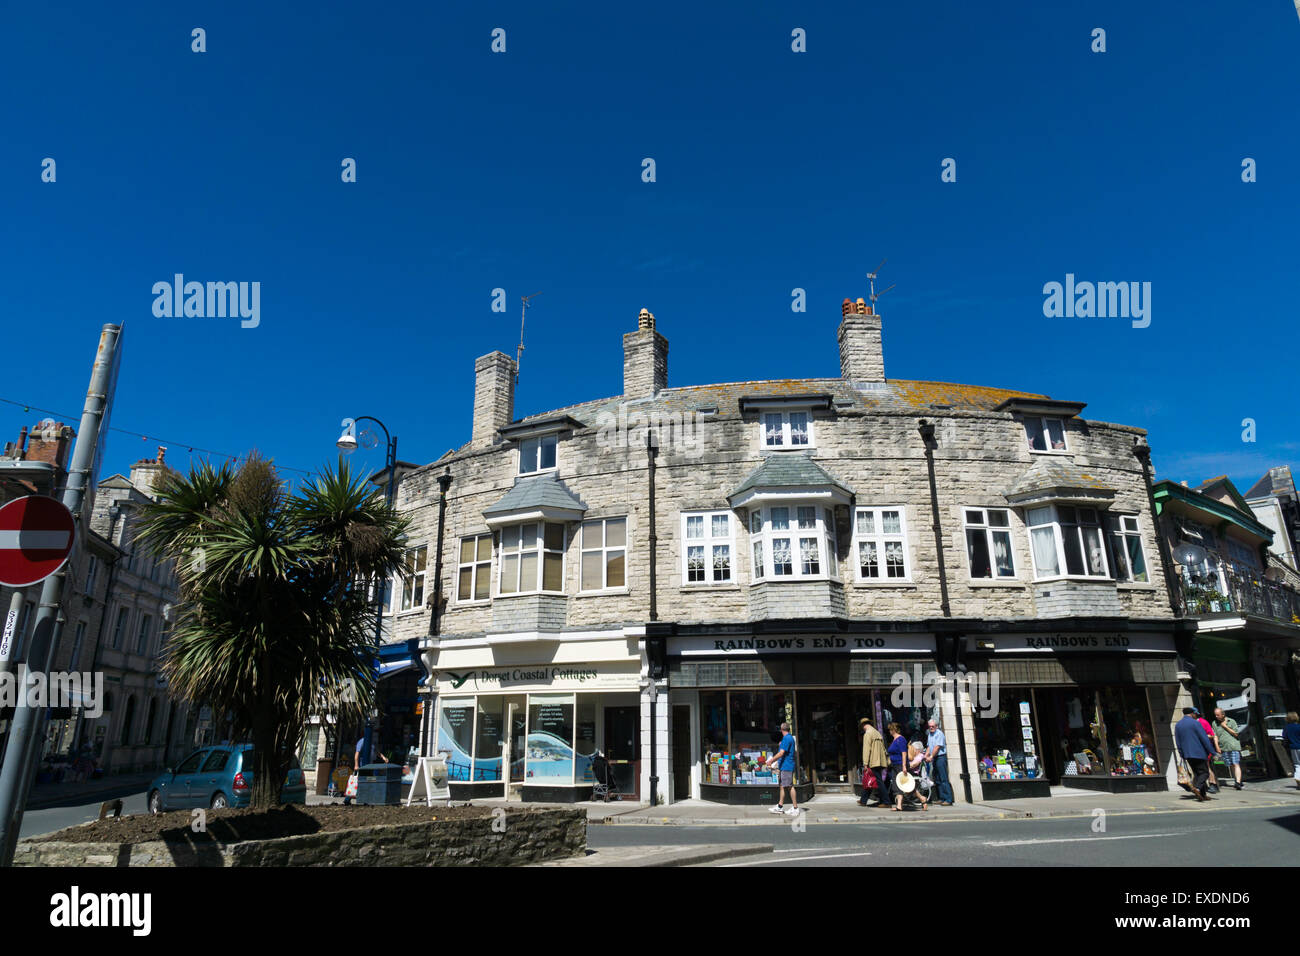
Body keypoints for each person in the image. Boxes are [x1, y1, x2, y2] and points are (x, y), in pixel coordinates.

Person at [1174, 706, 1213, 801]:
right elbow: (1204, 738)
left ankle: (1202, 795)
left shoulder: (1178, 725)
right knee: (1204, 773)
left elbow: (1178, 741)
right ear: (1192, 714)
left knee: (1197, 773)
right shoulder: (1195, 723)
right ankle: (1197, 788)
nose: (1196, 716)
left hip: (1187, 754)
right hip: (1199, 752)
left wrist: (1181, 753)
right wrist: (1212, 751)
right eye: (1195, 714)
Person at [765, 721, 802, 815]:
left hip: (787, 766)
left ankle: (795, 808)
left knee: (789, 787)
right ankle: (780, 807)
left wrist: (771, 761)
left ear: (781, 730)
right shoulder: (789, 738)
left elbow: (781, 753)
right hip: (785, 765)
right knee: (782, 786)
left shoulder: (786, 739)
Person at [1212, 707, 1244, 790]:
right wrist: (1217, 746)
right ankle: (1237, 780)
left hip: (1233, 746)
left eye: (1218, 715)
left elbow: (1236, 734)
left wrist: (1225, 726)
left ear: (1223, 714)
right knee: (1231, 765)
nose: (1216, 716)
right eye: (1215, 715)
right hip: (1224, 747)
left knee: (1236, 763)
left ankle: (1238, 782)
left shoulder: (1231, 721)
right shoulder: (1214, 723)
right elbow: (1215, 736)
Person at [859, 716, 888, 807]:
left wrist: (865, 763)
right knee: (870, 779)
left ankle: (886, 802)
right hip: (880, 760)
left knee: (878, 782)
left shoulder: (867, 734)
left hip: (873, 761)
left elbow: (866, 749)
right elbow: (884, 748)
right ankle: (863, 800)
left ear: (863, 725)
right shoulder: (877, 732)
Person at [925, 718, 954, 806]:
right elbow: (929, 746)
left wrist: (931, 756)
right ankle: (941, 798)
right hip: (935, 758)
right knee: (937, 778)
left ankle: (948, 799)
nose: (931, 728)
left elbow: (937, 747)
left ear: (936, 726)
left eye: (933, 726)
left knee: (943, 778)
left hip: (940, 757)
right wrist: (926, 755)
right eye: (930, 726)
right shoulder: (930, 734)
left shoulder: (939, 734)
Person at [1194, 708, 1221, 793]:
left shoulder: (1203, 722)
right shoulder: (1194, 723)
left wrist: (1202, 736)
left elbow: (1212, 735)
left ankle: (1213, 784)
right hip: (1198, 748)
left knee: (1206, 766)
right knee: (1203, 767)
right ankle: (1204, 785)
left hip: (1205, 748)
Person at [1284, 712, 1300, 789]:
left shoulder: (1287, 728)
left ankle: (1298, 778)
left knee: (1297, 764)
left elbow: (1285, 738)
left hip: (1293, 748)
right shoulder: (1299, 727)